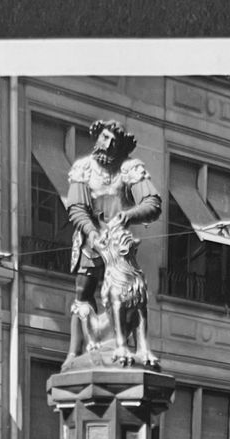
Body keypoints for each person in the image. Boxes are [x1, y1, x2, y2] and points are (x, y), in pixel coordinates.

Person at [65, 120, 162, 363]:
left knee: (130, 293)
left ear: (121, 146)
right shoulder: (84, 168)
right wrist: (91, 231)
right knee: (83, 292)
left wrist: (129, 215)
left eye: (112, 141)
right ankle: (74, 354)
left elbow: (152, 204)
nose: (107, 145)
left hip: (119, 243)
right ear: (97, 138)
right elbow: (76, 208)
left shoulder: (130, 168)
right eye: (103, 138)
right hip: (91, 241)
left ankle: (127, 346)